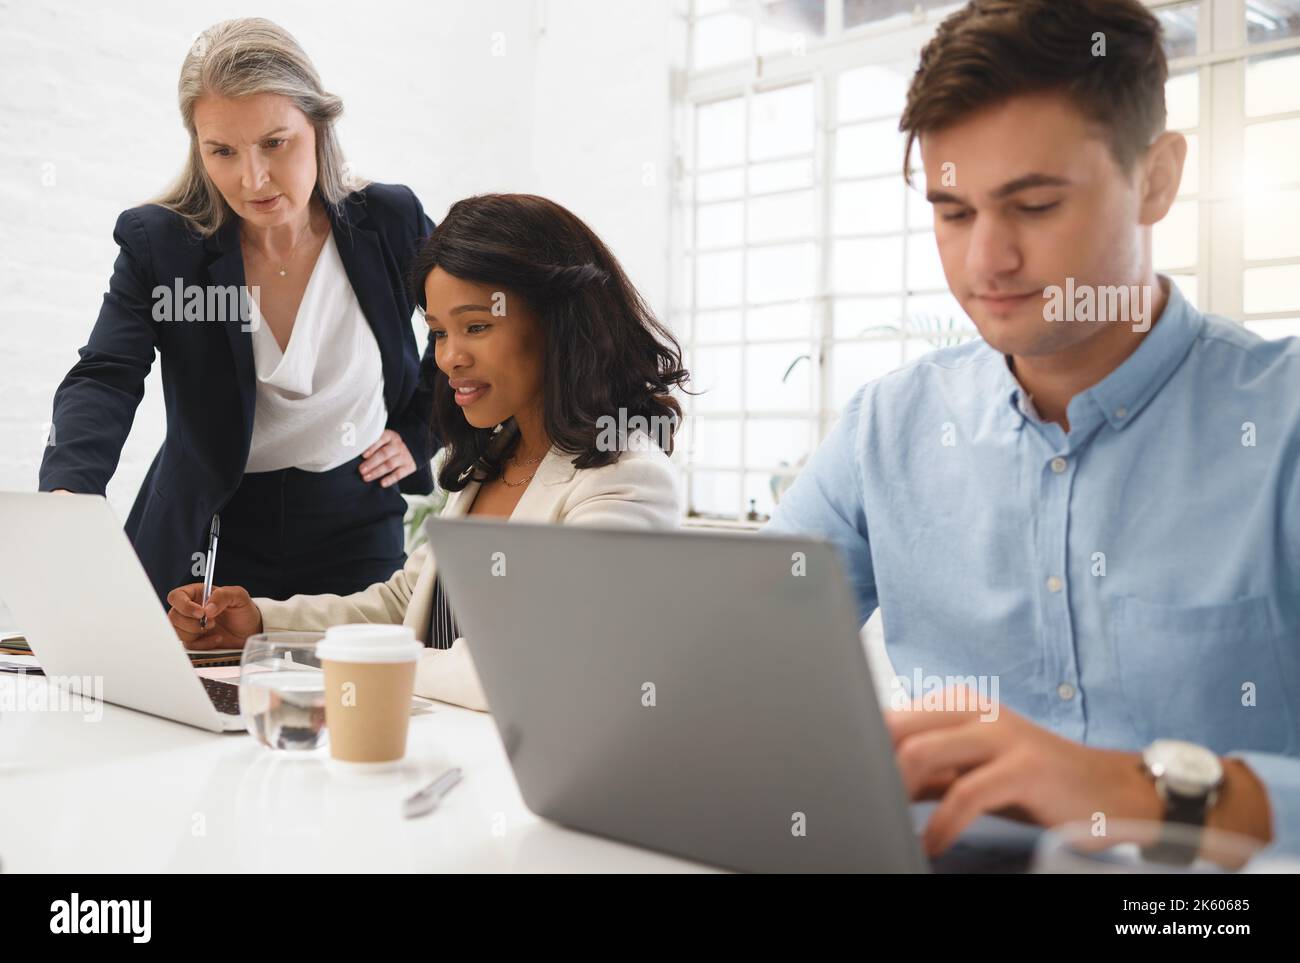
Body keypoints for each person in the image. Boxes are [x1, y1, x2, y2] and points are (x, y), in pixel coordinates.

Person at [767, 0, 1300, 859]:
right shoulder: (885, 430)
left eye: (1036, 204)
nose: (986, 263)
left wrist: (1135, 790)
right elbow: (733, 660)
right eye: (953, 212)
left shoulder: (1283, 424)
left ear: (1157, 179)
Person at [165, 193, 690, 711]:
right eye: (438, 332)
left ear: (561, 325)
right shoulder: (497, 459)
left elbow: (530, 669)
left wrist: (358, 662)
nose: (449, 358)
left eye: (476, 326)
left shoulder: (627, 480)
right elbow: (405, 606)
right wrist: (260, 624)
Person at [38, 18, 440, 602]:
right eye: (221, 151)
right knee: (184, 693)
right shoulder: (163, 244)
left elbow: (468, 326)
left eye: (275, 143)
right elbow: (106, 373)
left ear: (319, 126)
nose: (252, 178)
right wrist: (69, 492)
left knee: (348, 690)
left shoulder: (389, 220)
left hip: (354, 522)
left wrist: (419, 429)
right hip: (210, 524)